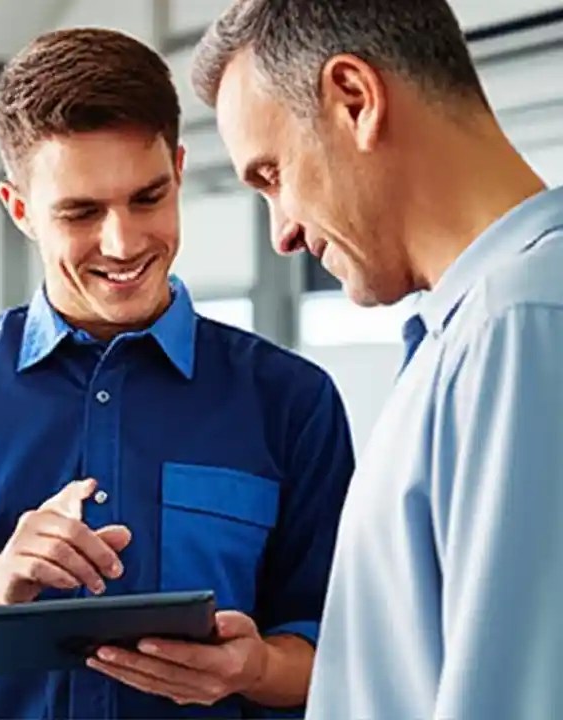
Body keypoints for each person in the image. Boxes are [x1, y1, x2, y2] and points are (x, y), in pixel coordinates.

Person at [0, 27, 356, 719]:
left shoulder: (291, 402)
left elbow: (348, 652)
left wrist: (254, 667)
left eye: (147, 198)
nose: (123, 242)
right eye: (80, 212)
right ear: (20, 211)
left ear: (180, 173)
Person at [190, 1, 563, 718]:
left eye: (272, 175)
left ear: (354, 100)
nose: (283, 233)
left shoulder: (518, 327)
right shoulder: (466, 336)